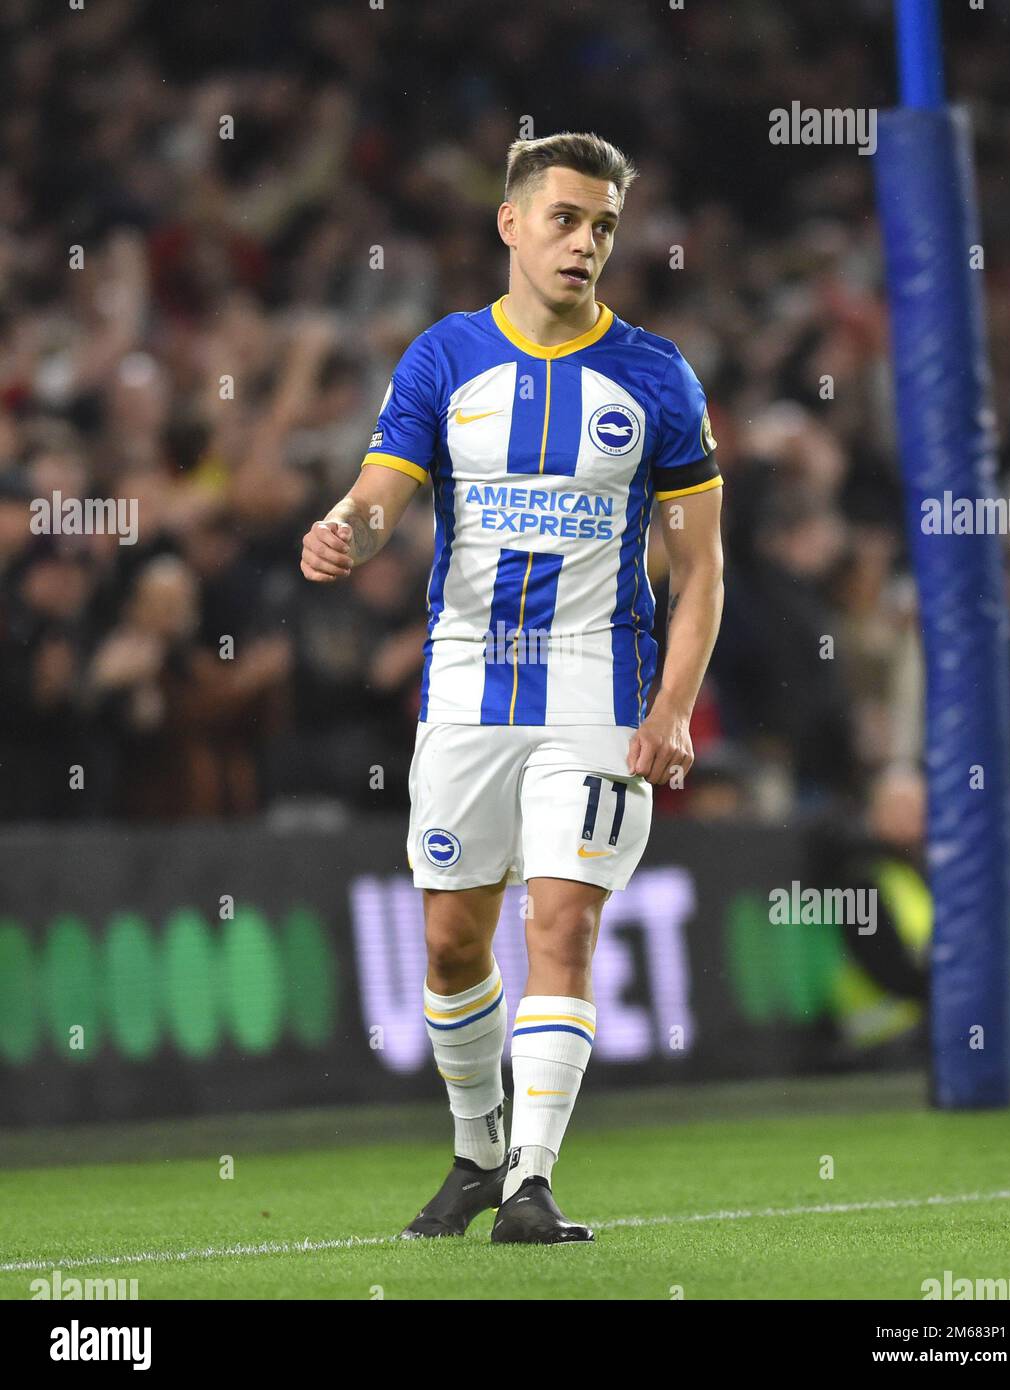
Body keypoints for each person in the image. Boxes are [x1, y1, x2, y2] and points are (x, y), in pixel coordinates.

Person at [300, 132, 724, 1244]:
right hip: (464, 688)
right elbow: (384, 488)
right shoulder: (443, 359)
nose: (584, 241)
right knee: (449, 940)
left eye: (602, 226)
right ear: (510, 224)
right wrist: (349, 528)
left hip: (596, 688)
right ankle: (478, 1149)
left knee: (562, 924)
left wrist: (671, 705)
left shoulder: (655, 376)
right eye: (565, 219)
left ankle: (532, 1179)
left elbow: (700, 566)